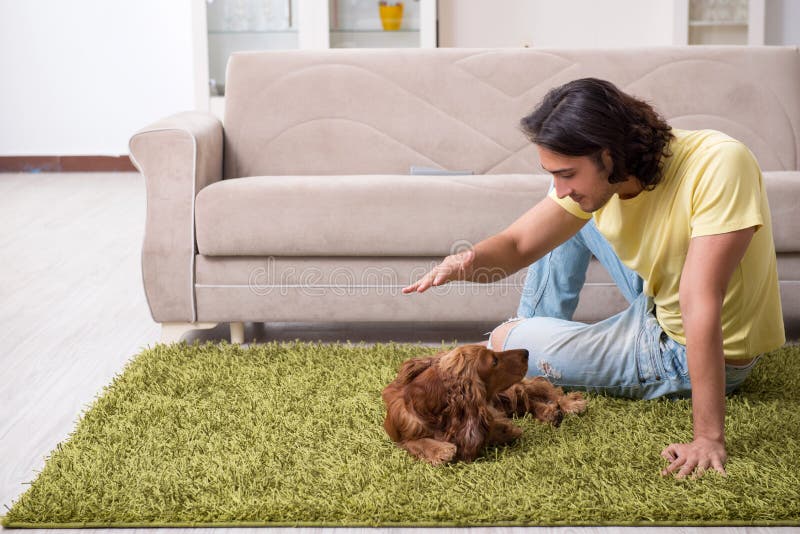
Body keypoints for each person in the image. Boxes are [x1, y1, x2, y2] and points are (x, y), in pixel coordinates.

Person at [402, 78, 785, 480]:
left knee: (503, 340)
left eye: (566, 173)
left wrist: (708, 437)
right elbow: (517, 245)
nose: (559, 189)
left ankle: (518, 343)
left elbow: (700, 299)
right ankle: (528, 351)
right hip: (659, 300)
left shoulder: (720, 164)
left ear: (608, 155)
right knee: (572, 222)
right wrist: (465, 262)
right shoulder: (608, 178)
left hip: (686, 346)